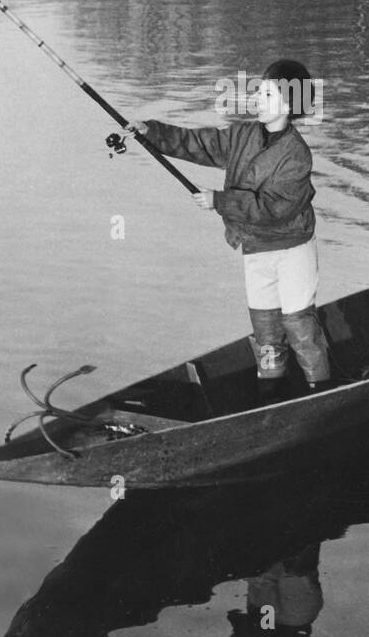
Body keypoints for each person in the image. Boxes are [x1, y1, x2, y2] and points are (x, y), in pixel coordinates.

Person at [128, 59, 331, 395]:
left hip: (291, 249)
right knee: (265, 331)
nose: (256, 99)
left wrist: (220, 201)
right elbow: (198, 143)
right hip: (253, 247)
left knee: (300, 326)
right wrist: (151, 132)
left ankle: (320, 391)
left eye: (266, 93)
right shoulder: (242, 135)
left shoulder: (297, 155)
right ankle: (271, 392)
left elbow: (272, 209)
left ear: (287, 104)